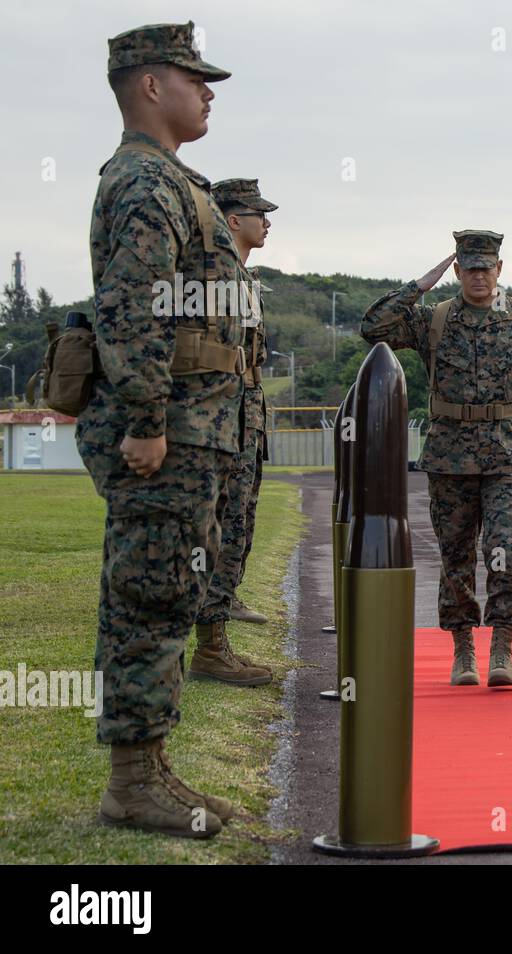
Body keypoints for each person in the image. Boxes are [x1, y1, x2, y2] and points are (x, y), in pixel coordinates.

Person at [79, 21, 245, 838]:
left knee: (167, 592)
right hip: (168, 432)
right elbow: (133, 306)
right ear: (151, 86)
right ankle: (132, 783)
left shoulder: (173, 180)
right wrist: (147, 421)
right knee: (148, 596)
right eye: (193, 78)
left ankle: (149, 768)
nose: (208, 91)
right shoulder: (148, 183)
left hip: (192, 427)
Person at [361, 231, 512, 687]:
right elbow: (372, 326)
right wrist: (421, 284)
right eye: (469, 267)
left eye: (486, 267)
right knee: (455, 558)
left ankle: (503, 647)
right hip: (449, 457)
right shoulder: (432, 320)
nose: (479, 275)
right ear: (457, 271)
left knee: (503, 550)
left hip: (508, 457)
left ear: (500, 269)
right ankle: (463, 649)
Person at [188, 178, 280, 687]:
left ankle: (216, 631)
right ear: (231, 219)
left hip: (245, 416)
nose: (266, 223)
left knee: (239, 523)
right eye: (257, 214)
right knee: (218, 527)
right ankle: (209, 645)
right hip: (220, 418)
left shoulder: (245, 281)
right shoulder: (210, 280)